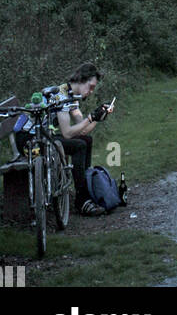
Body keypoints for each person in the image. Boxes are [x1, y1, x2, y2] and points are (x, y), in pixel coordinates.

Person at [15, 61, 114, 217]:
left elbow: (83, 129)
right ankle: (82, 200)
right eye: (91, 86)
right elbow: (68, 133)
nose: (91, 91)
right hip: (29, 140)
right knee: (79, 146)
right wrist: (90, 117)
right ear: (81, 80)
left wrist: (98, 116)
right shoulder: (60, 96)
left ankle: (85, 190)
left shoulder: (71, 96)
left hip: (44, 136)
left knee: (86, 141)